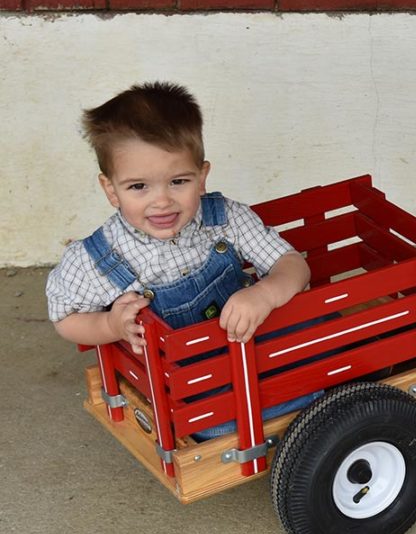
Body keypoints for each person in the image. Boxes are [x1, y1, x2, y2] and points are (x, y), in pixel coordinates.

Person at [46, 81, 317, 437]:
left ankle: (325, 384)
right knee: (216, 421)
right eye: (138, 187)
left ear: (201, 177)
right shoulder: (99, 258)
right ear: (111, 189)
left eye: (178, 181)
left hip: (255, 342)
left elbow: (293, 264)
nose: (162, 202)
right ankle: (317, 398)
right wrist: (110, 326)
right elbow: (64, 317)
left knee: (321, 339)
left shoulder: (225, 220)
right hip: (194, 380)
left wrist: (264, 293)